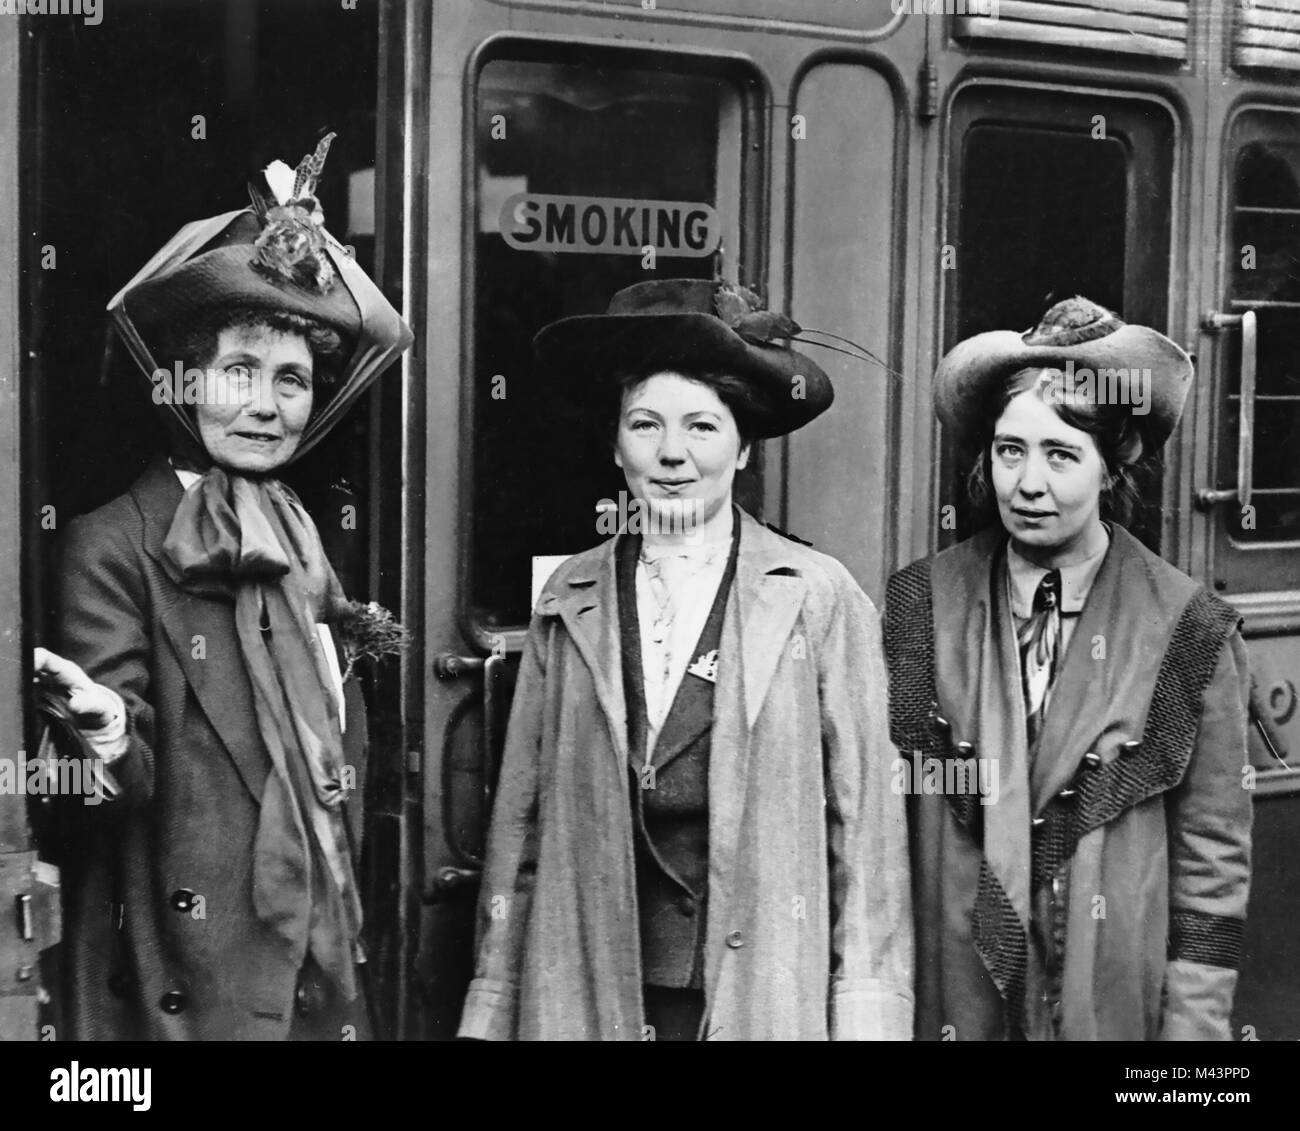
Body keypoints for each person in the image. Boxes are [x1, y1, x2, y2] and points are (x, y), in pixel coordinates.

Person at [457, 278, 914, 1041]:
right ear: (615, 443)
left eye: (702, 426)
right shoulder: (569, 599)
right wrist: (494, 1006)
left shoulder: (815, 596)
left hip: (756, 994)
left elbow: (864, 838)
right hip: (589, 991)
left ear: (742, 448)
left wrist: (866, 1018)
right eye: (645, 425)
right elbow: (521, 831)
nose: (672, 454)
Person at [34, 134, 413, 1040]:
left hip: (309, 947)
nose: (266, 404)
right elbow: (111, 786)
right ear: (180, 380)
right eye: (238, 372)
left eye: (292, 381)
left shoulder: (302, 534)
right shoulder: (111, 542)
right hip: (175, 963)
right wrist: (107, 725)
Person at [884, 297, 1252, 1040]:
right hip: (952, 992)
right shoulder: (921, 604)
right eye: (1010, 450)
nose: (1028, 483)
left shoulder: (1189, 630)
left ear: (1117, 463)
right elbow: (883, 822)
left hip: (1111, 1000)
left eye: (1061, 455)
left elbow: (1211, 864)